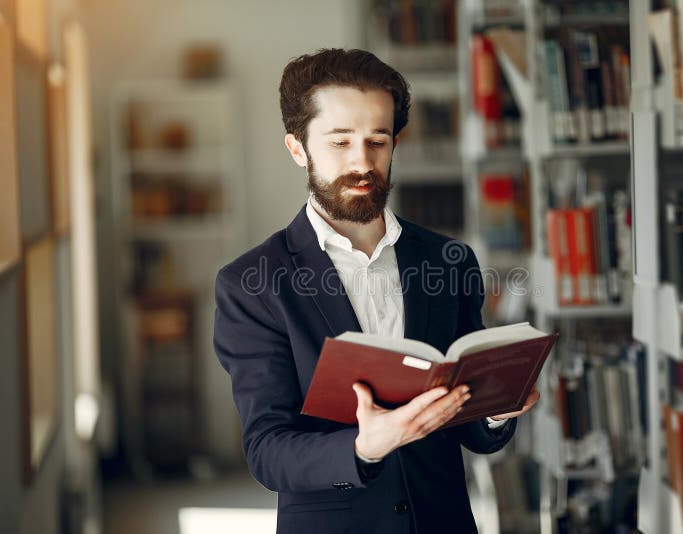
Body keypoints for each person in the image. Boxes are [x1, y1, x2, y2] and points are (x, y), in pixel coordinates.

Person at [213, 48, 540, 534]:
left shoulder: (448, 260)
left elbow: (471, 430)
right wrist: (363, 447)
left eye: (377, 141)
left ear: (395, 143)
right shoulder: (250, 284)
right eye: (340, 142)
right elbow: (267, 451)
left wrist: (496, 410)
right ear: (298, 149)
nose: (362, 162)